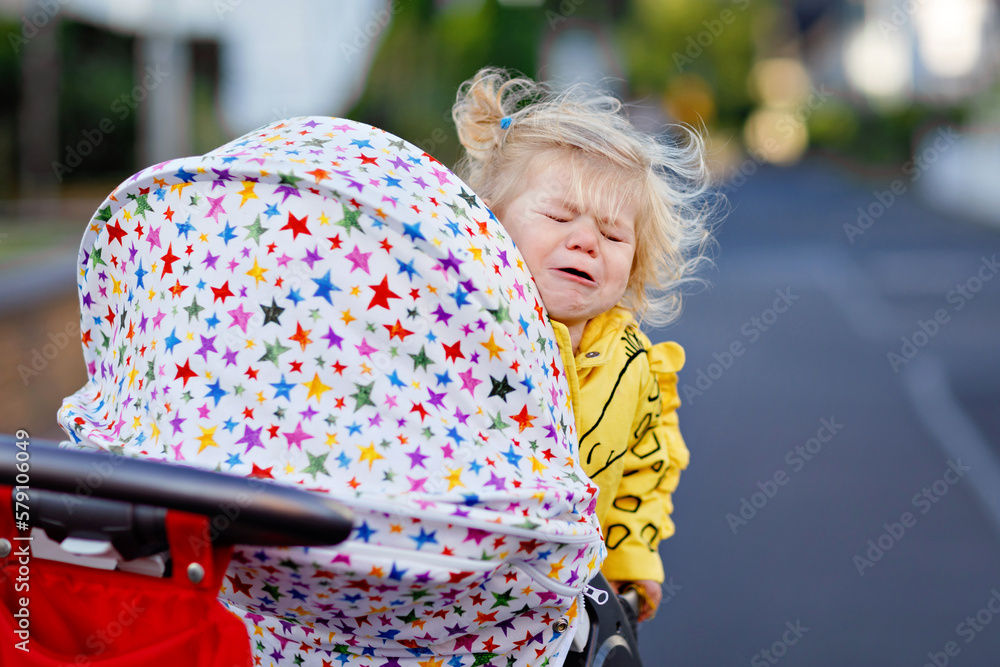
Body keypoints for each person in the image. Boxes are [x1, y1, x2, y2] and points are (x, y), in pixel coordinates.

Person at [452, 68, 715, 622]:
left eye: (614, 234)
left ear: (636, 261)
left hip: (555, 610)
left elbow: (648, 462)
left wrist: (631, 555)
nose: (585, 240)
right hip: (448, 584)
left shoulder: (635, 365)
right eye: (558, 216)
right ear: (489, 222)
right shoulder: (460, 324)